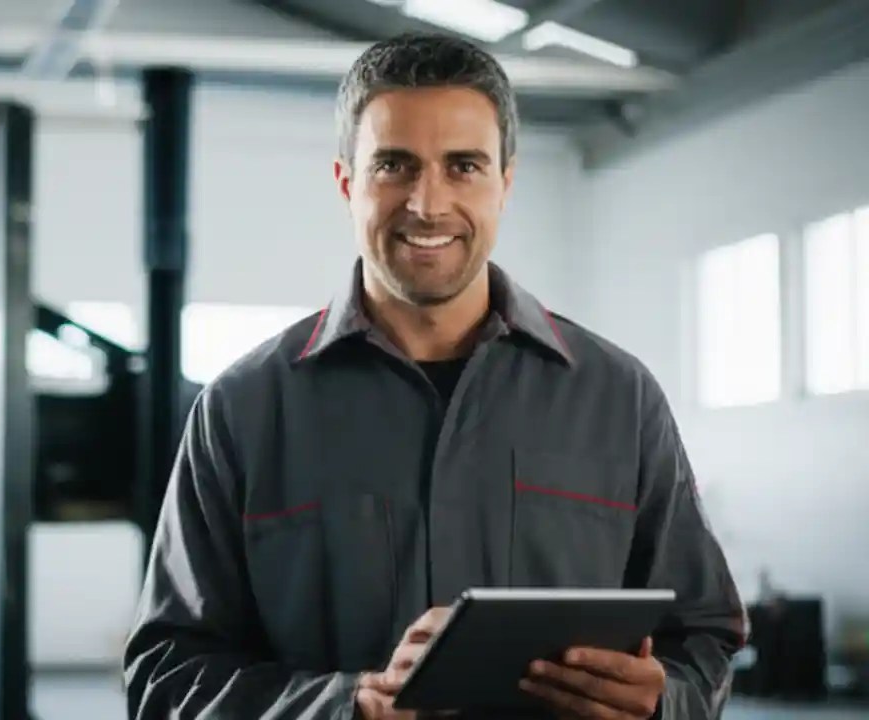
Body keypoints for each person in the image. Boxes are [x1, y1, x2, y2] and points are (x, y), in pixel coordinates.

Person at [123, 32, 747, 720]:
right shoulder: (242, 410)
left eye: (463, 166)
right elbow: (166, 674)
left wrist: (666, 701)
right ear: (346, 183)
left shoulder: (619, 398)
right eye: (394, 164)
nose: (427, 202)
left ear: (505, 183)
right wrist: (344, 706)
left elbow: (707, 637)